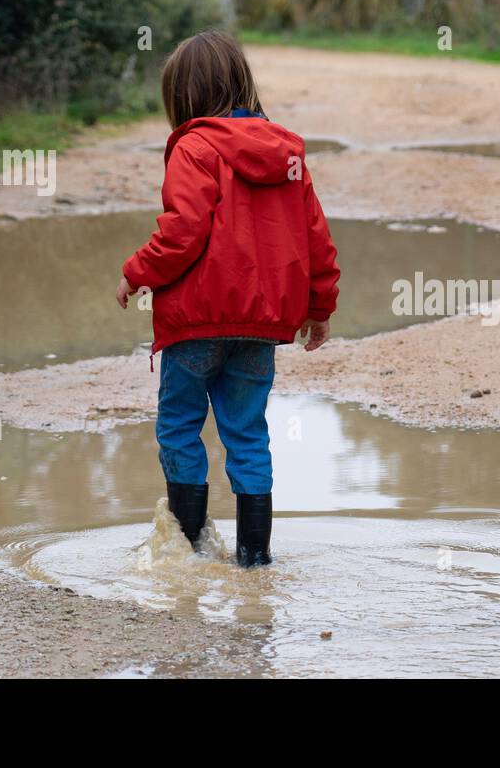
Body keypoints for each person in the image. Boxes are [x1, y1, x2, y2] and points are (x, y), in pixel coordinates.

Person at [116, 31, 339, 567]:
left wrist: (135, 273)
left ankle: (188, 553)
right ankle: (254, 560)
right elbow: (316, 238)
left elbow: (181, 234)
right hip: (259, 327)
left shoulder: (194, 147)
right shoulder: (286, 155)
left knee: (178, 427)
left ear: (184, 97)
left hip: (198, 322)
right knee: (246, 434)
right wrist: (319, 307)